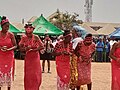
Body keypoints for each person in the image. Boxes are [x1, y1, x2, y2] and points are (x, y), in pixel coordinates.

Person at [19, 24, 44, 90]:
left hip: (35, 57)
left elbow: (42, 46)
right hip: (28, 58)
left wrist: (34, 50)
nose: (28, 29)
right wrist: (26, 49)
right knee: (28, 75)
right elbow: (20, 48)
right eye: (27, 28)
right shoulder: (23, 38)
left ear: (33, 29)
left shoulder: (36, 37)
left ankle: (35, 88)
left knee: (35, 74)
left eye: (30, 28)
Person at [0, 16, 17, 90]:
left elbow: (16, 46)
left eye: (8, 26)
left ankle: (8, 88)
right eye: (6, 26)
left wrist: (9, 49)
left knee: (8, 72)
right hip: (1, 56)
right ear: (2, 26)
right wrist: (0, 48)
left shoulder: (11, 35)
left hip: (9, 56)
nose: (7, 28)